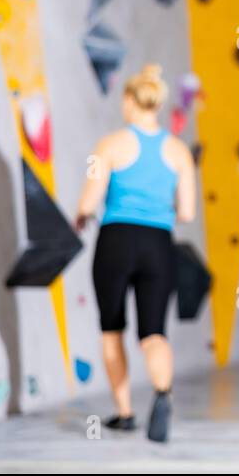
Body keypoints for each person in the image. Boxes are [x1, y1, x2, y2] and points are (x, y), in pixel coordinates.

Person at [76, 64, 197, 442]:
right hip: (158, 244)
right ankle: (162, 395)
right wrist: (158, 210)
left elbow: (89, 200)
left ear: (130, 101)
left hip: (116, 241)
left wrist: (80, 216)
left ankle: (125, 413)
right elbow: (188, 212)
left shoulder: (109, 145)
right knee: (153, 332)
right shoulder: (179, 151)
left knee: (112, 329)